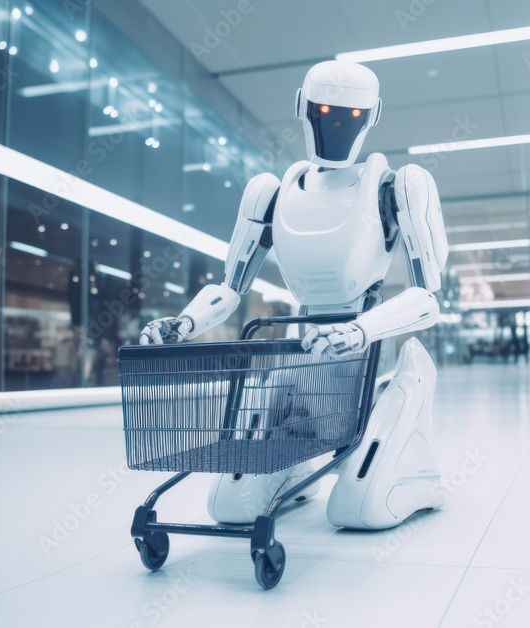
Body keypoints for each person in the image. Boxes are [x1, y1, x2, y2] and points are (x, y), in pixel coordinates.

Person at [140, 60, 449, 530]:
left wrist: (360, 331)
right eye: (326, 113)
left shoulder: (397, 187)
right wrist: (183, 323)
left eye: (350, 116)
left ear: (373, 116)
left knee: (359, 510)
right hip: (300, 357)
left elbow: (427, 297)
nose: (337, 126)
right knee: (230, 505)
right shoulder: (270, 194)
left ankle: (402, 469)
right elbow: (229, 288)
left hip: (374, 362)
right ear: (303, 108)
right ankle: (298, 469)